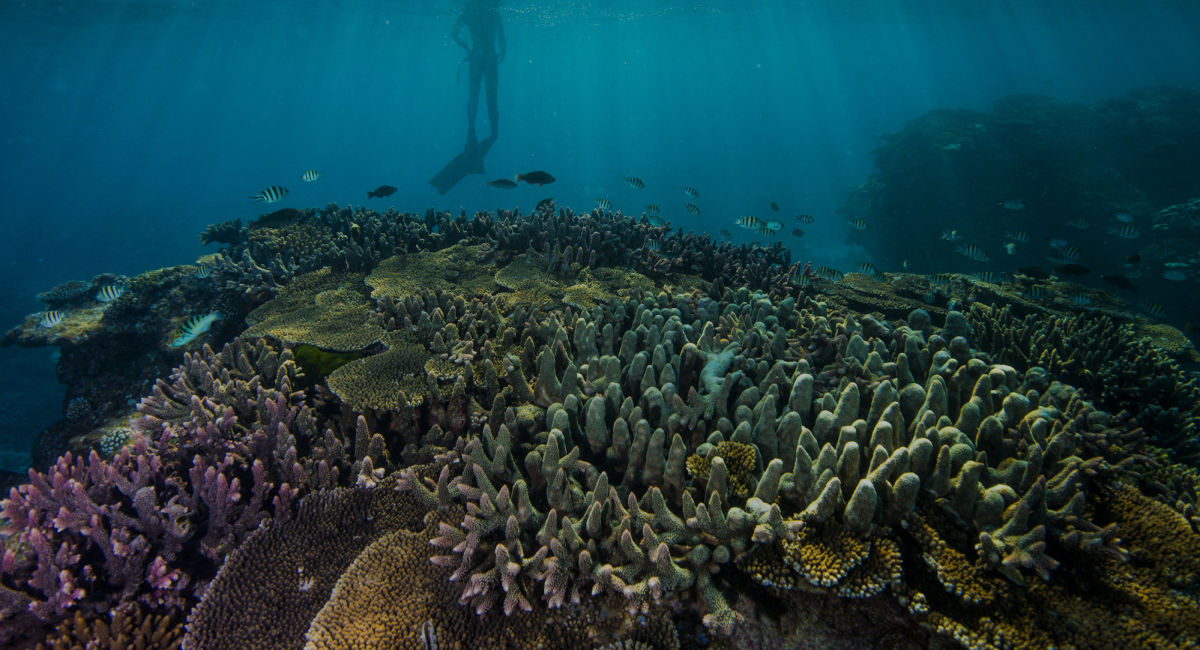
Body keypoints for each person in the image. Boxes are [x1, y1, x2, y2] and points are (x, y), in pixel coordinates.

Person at [451, 0, 505, 148]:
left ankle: (471, 131)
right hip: (490, 58)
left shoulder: (468, 12)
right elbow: (501, 37)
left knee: (473, 96)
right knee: (491, 99)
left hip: (475, 57)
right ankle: (494, 134)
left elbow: (453, 34)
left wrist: (467, 48)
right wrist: (503, 50)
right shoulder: (494, 12)